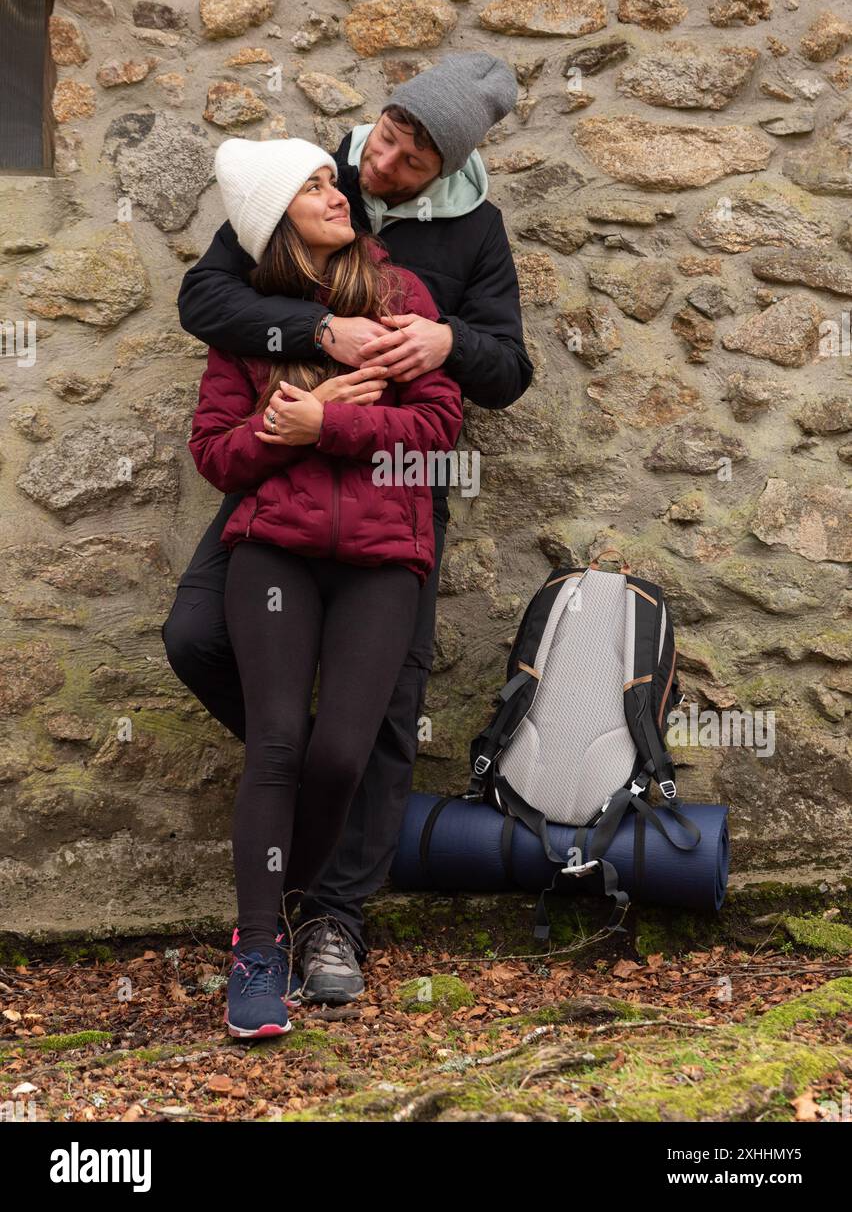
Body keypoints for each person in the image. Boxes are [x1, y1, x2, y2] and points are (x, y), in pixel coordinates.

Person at [163, 51, 533, 1005]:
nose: (384, 162)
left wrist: (449, 339)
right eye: (391, 132)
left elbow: (502, 372)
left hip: (391, 486)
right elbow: (207, 301)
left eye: (412, 159)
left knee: (386, 714)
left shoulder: (473, 236)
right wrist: (316, 336)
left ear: (447, 169)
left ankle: (334, 915)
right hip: (280, 471)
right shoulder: (307, 181)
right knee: (198, 637)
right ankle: (297, 784)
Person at [188, 134, 463, 1038]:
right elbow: (214, 454)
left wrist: (334, 429)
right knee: (275, 745)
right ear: (277, 219)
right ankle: (258, 950)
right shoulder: (250, 320)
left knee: (341, 752)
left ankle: (306, 908)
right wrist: (282, 434)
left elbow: (438, 430)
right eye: (311, 186)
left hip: (385, 556)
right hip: (275, 552)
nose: (336, 191)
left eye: (329, 177)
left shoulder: (402, 300)